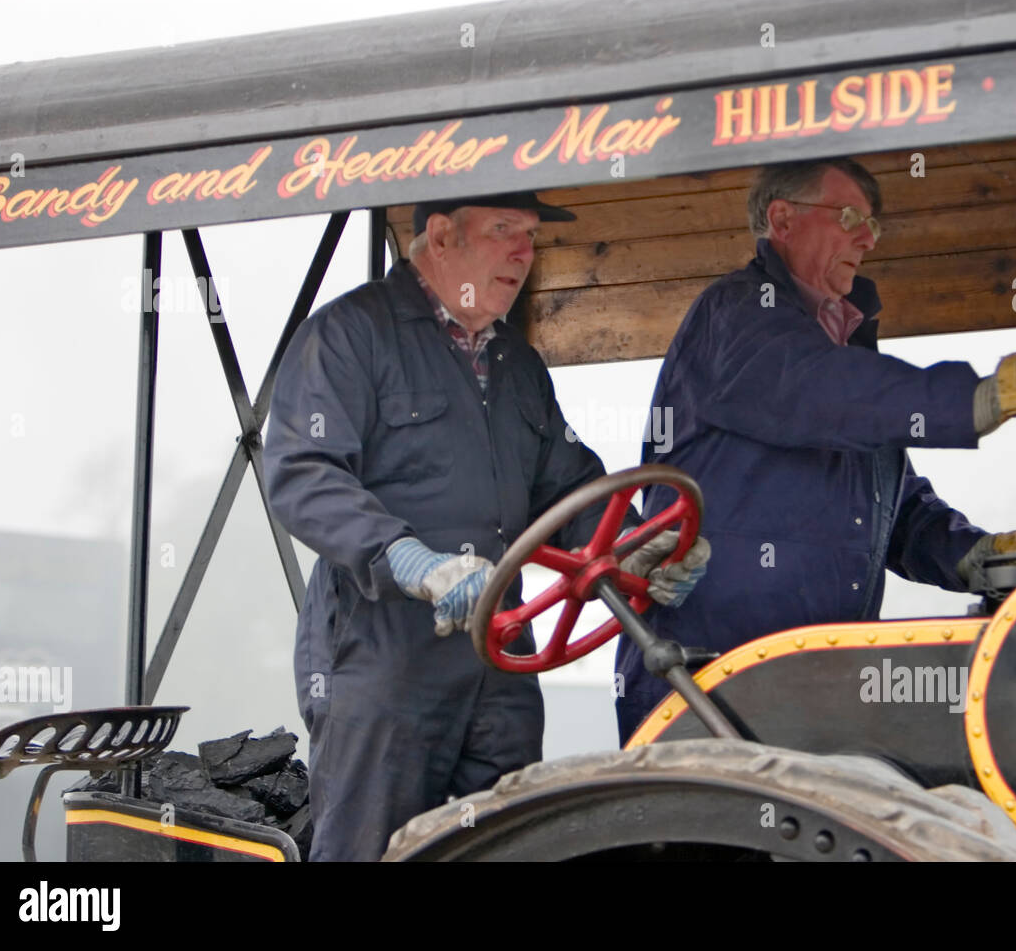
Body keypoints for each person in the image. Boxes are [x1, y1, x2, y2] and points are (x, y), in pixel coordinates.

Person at [263, 191, 706, 861]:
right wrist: (412, 562)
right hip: (382, 656)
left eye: (530, 236)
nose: (524, 253)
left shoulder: (516, 365)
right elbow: (301, 472)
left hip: (500, 653)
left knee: (512, 840)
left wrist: (637, 550)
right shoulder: (351, 334)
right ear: (441, 238)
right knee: (368, 846)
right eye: (504, 231)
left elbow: (571, 486)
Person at [614, 158, 1016, 744]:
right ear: (782, 219)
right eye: (851, 217)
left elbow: (896, 507)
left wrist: (973, 555)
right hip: (706, 679)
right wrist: (975, 398)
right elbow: (813, 389)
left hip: (814, 684)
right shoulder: (738, 313)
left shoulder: (842, 364)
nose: (866, 238)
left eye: (873, 226)